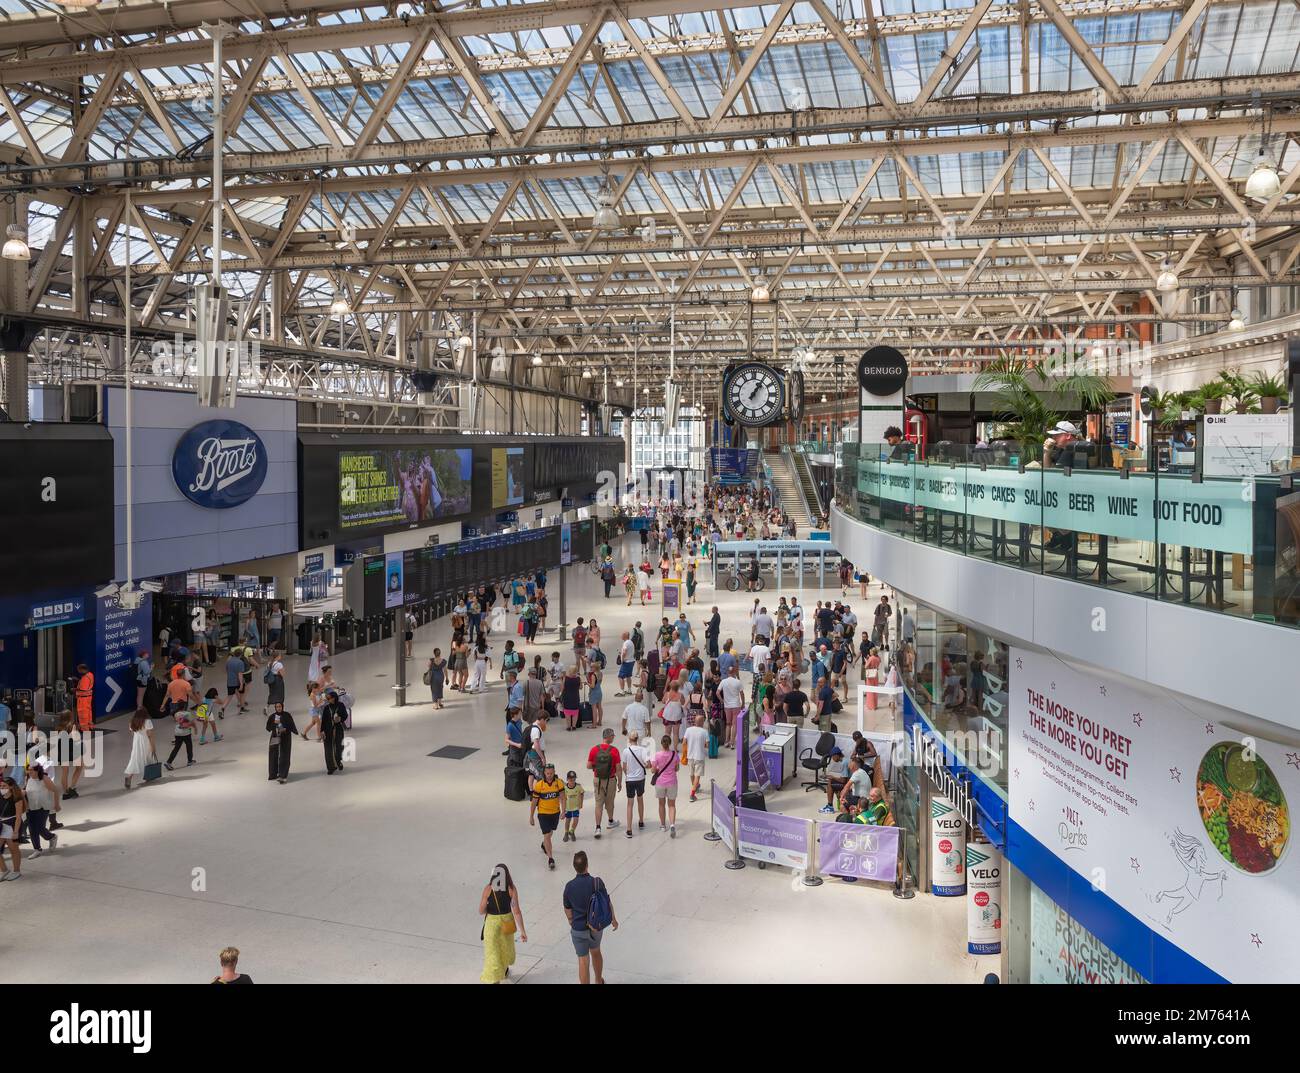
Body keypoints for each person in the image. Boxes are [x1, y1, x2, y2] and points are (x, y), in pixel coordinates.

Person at [562, 850, 617, 985]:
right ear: (587, 864)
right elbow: (607, 902)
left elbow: (567, 910)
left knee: (583, 960)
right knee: (596, 952)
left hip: (578, 929)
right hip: (596, 927)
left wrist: (571, 921)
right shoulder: (596, 882)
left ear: (574, 867)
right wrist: (613, 919)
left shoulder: (569, 887)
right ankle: (598, 980)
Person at [480, 863, 527, 984]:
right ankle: (504, 969)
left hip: (491, 925)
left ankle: (494, 979)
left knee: (493, 952)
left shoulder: (488, 889)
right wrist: (523, 931)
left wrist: (488, 908)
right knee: (506, 949)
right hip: (507, 923)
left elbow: (481, 910)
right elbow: (516, 911)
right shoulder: (511, 889)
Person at [587, 728, 622, 838]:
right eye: (613, 736)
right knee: (610, 802)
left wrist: (597, 767)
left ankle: (598, 828)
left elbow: (588, 766)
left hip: (597, 779)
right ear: (609, 737)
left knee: (598, 804)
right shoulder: (614, 750)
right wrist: (620, 782)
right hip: (610, 780)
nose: (613, 738)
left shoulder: (594, 749)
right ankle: (611, 821)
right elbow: (618, 768)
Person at [530, 762, 564, 870]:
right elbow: (534, 802)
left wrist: (564, 811)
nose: (549, 775)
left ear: (554, 772)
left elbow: (563, 798)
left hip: (555, 813)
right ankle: (550, 858)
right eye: (547, 773)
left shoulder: (559, 783)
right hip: (543, 814)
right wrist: (531, 816)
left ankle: (544, 844)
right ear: (544, 773)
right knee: (547, 835)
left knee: (550, 833)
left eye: (551, 773)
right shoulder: (539, 785)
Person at [23, 759, 60, 858]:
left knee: (39, 827)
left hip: (43, 807)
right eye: (28, 770)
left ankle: (52, 837)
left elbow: (56, 790)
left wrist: (57, 804)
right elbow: (28, 790)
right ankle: (37, 849)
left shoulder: (44, 779)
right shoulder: (27, 778)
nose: (29, 772)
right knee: (32, 829)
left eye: (32, 770)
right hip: (31, 807)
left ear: (37, 770)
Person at [650, 734, 679, 837]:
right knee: (671, 805)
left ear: (661, 743)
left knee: (661, 804)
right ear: (670, 743)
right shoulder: (674, 754)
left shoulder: (657, 755)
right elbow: (676, 769)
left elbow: (653, 770)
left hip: (660, 783)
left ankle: (663, 825)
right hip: (672, 782)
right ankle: (672, 825)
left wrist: (657, 768)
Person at [622, 729, 650, 838]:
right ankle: (641, 821)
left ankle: (629, 829)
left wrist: (628, 774)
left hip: (630, 779)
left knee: (630, 803)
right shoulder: (642, 750)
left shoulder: (626, 751)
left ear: (629, 739)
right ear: (638, 739)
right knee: (640, 799)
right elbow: (648, 764)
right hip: (640, 779)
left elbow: (624, 767)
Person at [0, 776, 25, 880]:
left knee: (13, 849)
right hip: (1, 825)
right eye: (0, 786)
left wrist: (15, 832)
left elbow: (19, 817)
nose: (1, 788)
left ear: (10, 786)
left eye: (4, 786)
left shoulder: (16, 798)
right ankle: (4, 870)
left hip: (12, 824)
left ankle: (16, 871)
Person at [267, 702, 298, 784]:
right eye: (277, 707)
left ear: (282, 707)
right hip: (275, 736)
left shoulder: (287, 715)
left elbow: (291, 725)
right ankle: (273, 773)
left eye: (280, 706)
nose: (278, 708)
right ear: (275, 708)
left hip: (286, 737)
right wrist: (275, 726)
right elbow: (268, 727)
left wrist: (285, 729)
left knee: (285, 754)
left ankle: (282, 775)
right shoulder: (273, 716)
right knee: (273, 753)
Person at [321, 688, 349, 774]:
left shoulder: (340, 705)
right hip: (328, 730)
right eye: (327, 699)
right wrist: (322, 731)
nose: (328, 700)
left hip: (338, 730)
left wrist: (340, 719)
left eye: (330, 698)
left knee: (339, 747)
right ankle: (331, 767)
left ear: (334, 698)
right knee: (328, 749)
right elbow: (323, 720)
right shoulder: (326, 708)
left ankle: (338, 761)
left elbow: (345, 715)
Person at [682, 714, 709, 803]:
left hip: (690, 755)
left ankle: (695, 787)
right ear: (702, 722)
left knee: (691, 773)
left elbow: (684, 742)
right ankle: (692, 794)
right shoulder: (705, 732)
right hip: (699, 756)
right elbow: (707, 745)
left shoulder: (688, 730)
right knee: (697, 775)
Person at [163, 700, 197, 770]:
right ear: (185, 706)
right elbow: (192, 723)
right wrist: (195, 728)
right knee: (189, 746)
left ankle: (169, 762)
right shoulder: (188, 714)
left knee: (176, 748)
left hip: (177, 733)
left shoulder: (176, 714)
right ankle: (190, 761)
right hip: (186, 733)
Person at [719, 665, 745, 749]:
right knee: (734, 724)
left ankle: (726, 741)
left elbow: (717, 692)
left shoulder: (723, 681)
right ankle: (732, 742)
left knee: (728, 723)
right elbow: (742, 694)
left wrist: (722, 700)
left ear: (727, 672)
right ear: (734, 672)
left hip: (727, 705)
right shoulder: (738, 682)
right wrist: (743, 703)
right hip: (736, 705)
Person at [820, 748, 850, 813]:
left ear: (836, 755)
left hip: (848, 785)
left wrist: (832, 777)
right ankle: (830, 805)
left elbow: (843, 781)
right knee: (831, 780)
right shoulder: (845, 760)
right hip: (849, 782)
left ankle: (830, 806)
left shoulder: (844, 763)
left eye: (832, 757)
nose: (832, 759)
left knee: (830, 783)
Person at [562, 770, 586, 842]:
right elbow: (563, 798)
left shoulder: (578, 786)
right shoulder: (565, 787)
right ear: (567, 779)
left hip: (576, 807)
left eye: (573, 779)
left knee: (576, 820)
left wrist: (581, 803)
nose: (572, 781)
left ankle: (572, 831)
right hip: (568, 808)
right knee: (568, 821)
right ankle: (566, 832)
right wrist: (563, 809)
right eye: (570, 779)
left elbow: (582, 793)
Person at [74, 663, 94, 732]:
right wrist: (78, 680)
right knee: (88, 713)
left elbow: (83, 689)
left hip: (83, 699)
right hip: (88, 698)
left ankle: (84, 729)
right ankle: (90, 726)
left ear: (83, 669)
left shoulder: (85, 678)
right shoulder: (90, 674)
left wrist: (74, 689)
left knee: (83, 714)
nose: (78, 671)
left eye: (79, 670)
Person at [616, 632, 635, 696]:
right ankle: (629, 690)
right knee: (628, 676)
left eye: (622, 635)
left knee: (620, 676)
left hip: (626, 662)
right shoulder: (631, 642)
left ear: (625, 636)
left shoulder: (625, 643)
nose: (621, 636)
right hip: (631, 661)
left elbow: (624, 651)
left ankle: (622, 691)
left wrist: (622, 659)